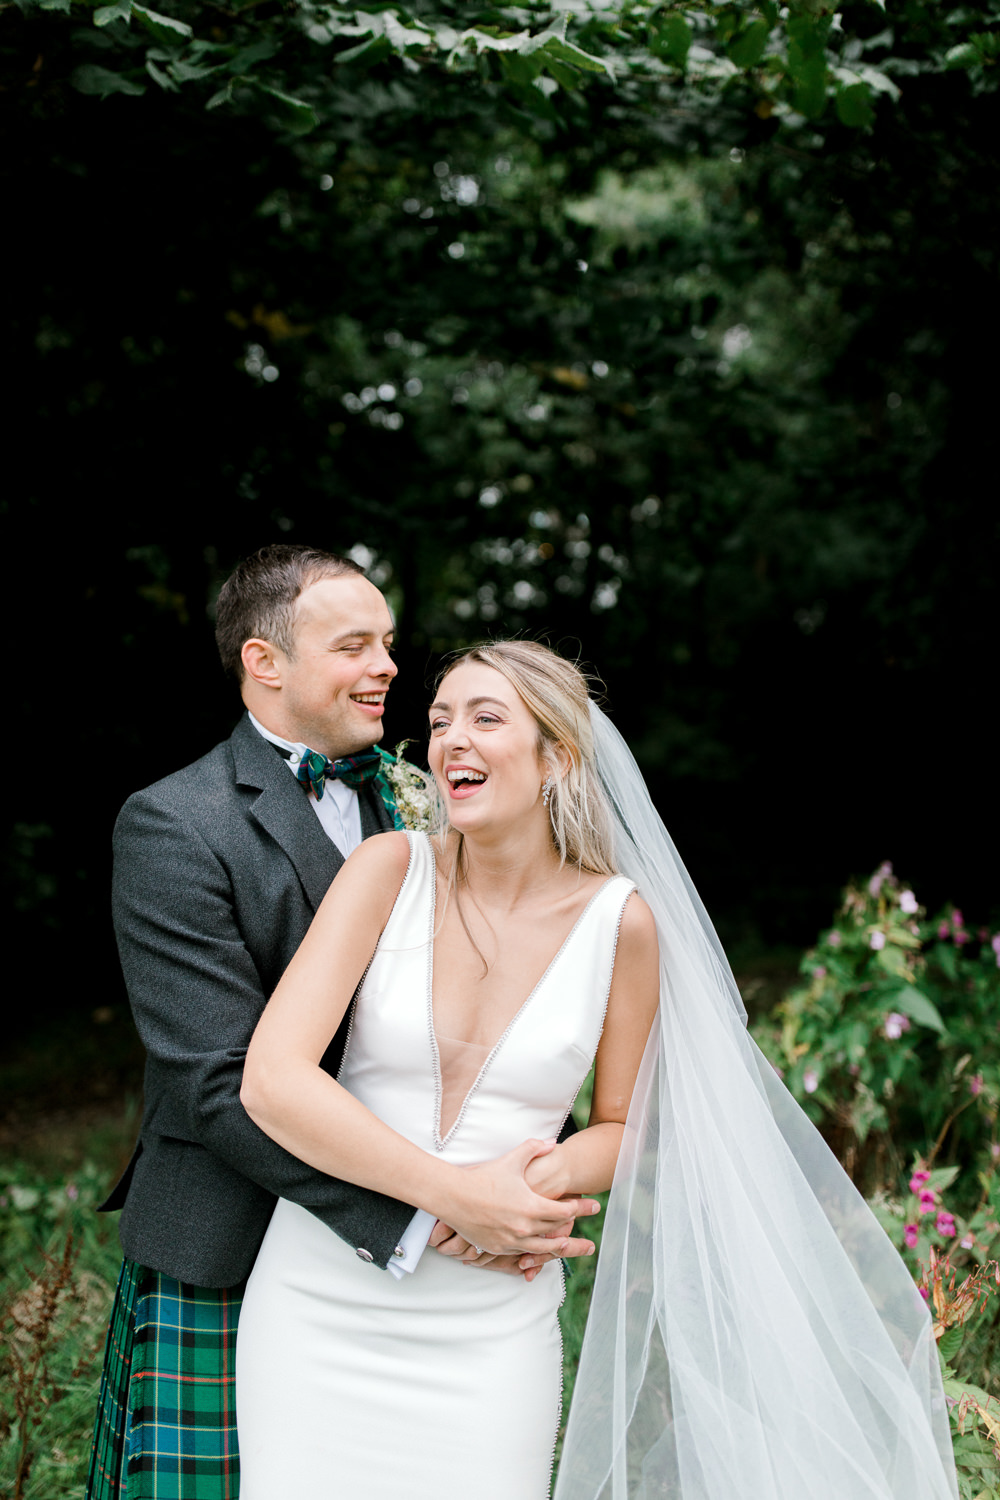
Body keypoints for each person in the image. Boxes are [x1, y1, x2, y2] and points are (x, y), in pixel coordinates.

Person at [236, 639, 959, 1500]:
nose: (450, 739)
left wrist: (534, 1181)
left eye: (486, 718)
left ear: (558, 757)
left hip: (491, 1321)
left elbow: (623, 1126)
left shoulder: (622, 924)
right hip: (321, 1301)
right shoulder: (386, 871)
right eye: (439, 721)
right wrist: (458, 1196)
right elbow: (272, 1081)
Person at [87, 549, 595, 1500]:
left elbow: (503, 989)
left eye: (390, 643)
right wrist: (432, 1209)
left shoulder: (429, 793)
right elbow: (213, 1081)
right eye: (354, 644)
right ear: (264, 662)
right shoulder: (174, 823)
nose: (389, 667)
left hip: (449, 1266)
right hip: (237, 1243)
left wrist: (517, 1169)